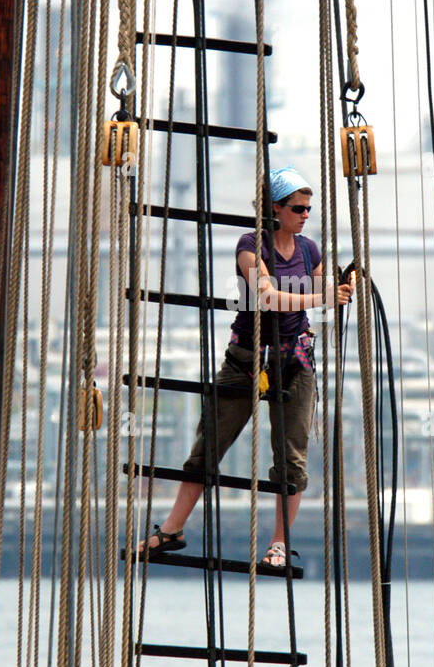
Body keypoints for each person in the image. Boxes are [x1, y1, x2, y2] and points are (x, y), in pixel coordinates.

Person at [139, 165, 354, 567]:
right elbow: (266, 296)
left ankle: (278, 544)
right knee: (208, 448)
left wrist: (341, 287)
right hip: (247, 359)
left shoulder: (308, 250)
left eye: (308, 208)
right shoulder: (250, 245)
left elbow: (326, 288)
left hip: (295, 360)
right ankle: (171, 530)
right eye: (298, 208)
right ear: (275, 208)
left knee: (292, 459)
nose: (306, 215)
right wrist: (322, 297)